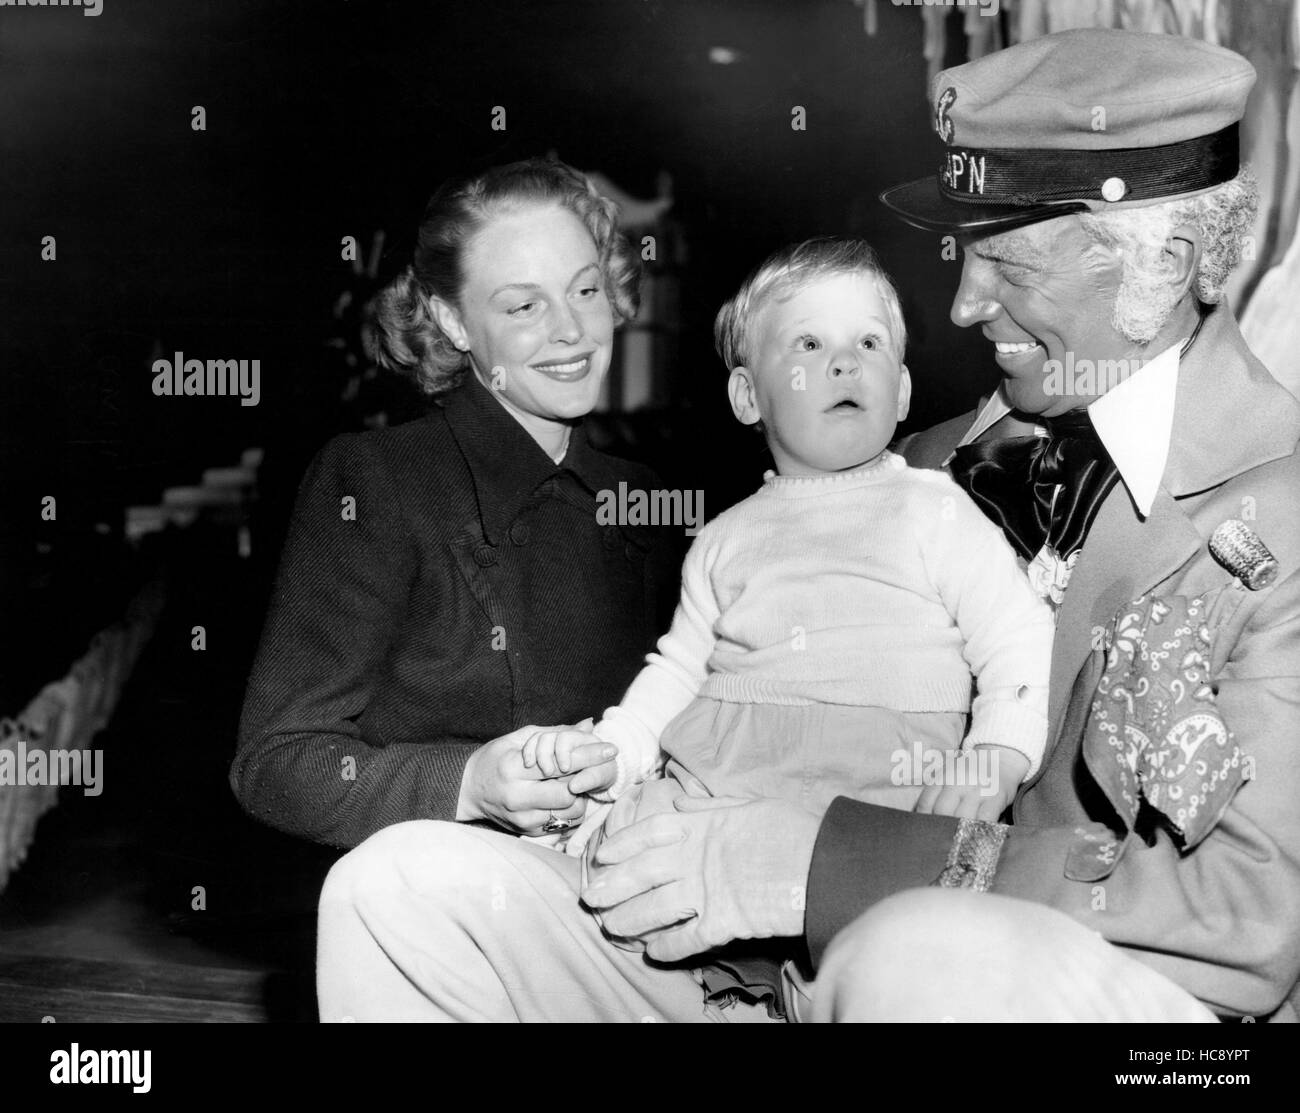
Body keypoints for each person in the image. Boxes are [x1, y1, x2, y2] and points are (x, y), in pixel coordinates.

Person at [316, 29, 1300, 1023]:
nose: (963, 305)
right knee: (401, 893)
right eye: (963, 259)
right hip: (781, 978)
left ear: (1164, 262)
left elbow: (1242, 920)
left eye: (1008, 265)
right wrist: (633, 787)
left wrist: (817, 861)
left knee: (921, 955)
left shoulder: (1283, 510)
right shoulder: (915, 462)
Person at [522, 238, 1054, 860]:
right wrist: (617, 753)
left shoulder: (936, 510)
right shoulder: (725, 537)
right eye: (809, 344)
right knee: (614, 860)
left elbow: (1018, 641)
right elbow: (680, 671)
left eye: (869, 343)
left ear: (903, 392)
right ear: (748, 396)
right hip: (720, 785)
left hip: (884, 794)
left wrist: (995, 754)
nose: (845, 363)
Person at [231, 158, 678, 849]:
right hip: (443, 903)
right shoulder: (377, 482)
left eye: (585, 290)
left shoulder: (642, 497)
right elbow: (276, 762)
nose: (572, 331)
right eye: (524, 305)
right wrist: (465, 782)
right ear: (452, 320)